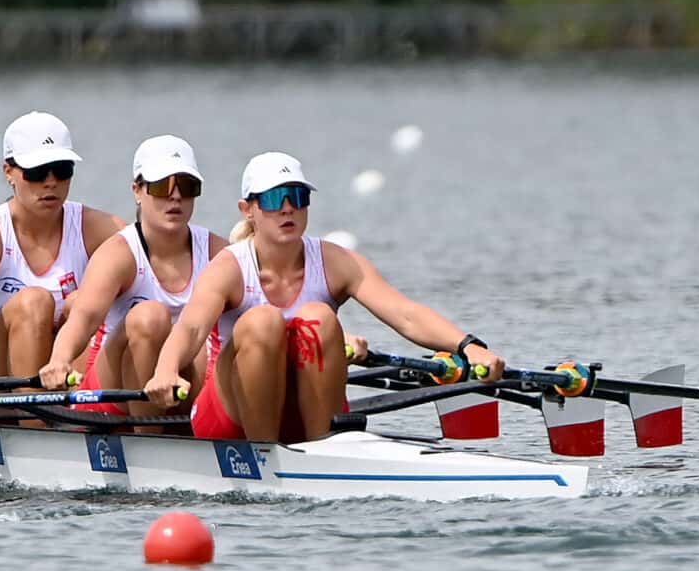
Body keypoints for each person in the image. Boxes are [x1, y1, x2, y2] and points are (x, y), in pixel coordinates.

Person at [149, 151, 508, 443]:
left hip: (304, 411)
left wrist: (468, 346)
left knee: (319, 317)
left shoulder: (335, 261)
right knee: (263, 320)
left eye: (298, 197)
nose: (288, 208)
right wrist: (165, 370)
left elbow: (406, 313)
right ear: (249, 210)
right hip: (231, 418)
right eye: (275, 198)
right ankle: (266, 456)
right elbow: (191, 329)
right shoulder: (229, 268)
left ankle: (324, 448)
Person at [38, 135, 222, 419]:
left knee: (203, 343)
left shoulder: (218, 252)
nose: (175, 197)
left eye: (187, 187)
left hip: (183, 382)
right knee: (150, 316)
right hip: (113, 392)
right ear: (137, 190)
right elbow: (83, 319)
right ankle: (148, 439)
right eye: (162, 186)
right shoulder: (118, 253)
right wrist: (60, 359)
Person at [0, 112, 124, 379]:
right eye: (37, 172)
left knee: (82, 302)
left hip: (62, 368)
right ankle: (38, 419)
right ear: (8, 172)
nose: (50, 182)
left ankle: (78, 408)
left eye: (61, 170)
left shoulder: (102, 228)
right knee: (34, 301)